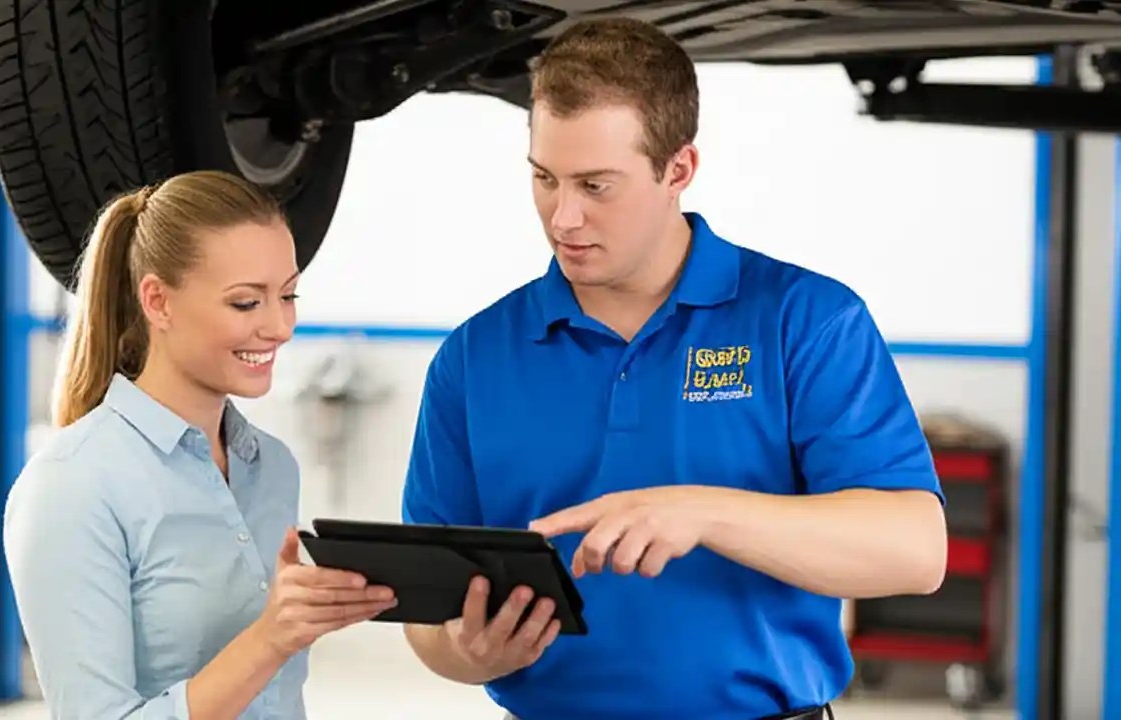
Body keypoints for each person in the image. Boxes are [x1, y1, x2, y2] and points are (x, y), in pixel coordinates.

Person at [399, 17, 948, 720]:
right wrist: (465, 652)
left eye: (597, 185)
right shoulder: (474, 358)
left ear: (678, 169)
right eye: (544, 179)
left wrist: (704, 512)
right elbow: (429, 619)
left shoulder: (805, 321)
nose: (563, 217)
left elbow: (914, 552)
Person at [3, 170, 397, 720]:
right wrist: (271, 639)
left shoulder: (272, 467)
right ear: (158, 302)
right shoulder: (71, 485)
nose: (280, 326)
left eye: (287, 295)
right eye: (245, 303)